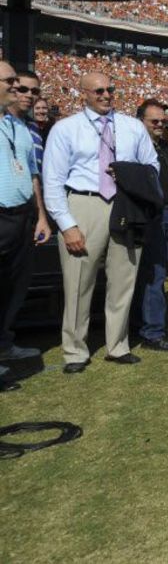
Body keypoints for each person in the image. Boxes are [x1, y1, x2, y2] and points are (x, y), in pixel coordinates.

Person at [42, 71, 158, 372]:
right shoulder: (66, 129)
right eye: (98, 91)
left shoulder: (132, 126)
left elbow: (152, 165)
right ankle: (75, 351)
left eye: (110, 89)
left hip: (125, 203)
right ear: (84, 93)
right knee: (78, 281)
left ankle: (118, 345)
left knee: (124, 278)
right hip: (84, 203)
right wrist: (67, 224)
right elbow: (52, 180)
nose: (106, 95)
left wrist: (130, 175)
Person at [0, 60, 51, 388]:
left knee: (13, 287)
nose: (15, 87)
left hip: (22, 216)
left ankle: (4, 344)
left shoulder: (17, 126)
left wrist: (41, 215)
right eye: (10, 82)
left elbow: (32, 174)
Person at [130, 99, 168, 352]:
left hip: (165, 212)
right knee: (152, 273)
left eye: (163, 121)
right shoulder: (134, 147)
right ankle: (152, 330)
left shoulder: (164, 146)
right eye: (154, 121)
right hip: (147, 215)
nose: (160, 125)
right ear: (140, 121)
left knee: (154, 271)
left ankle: (144, 324)